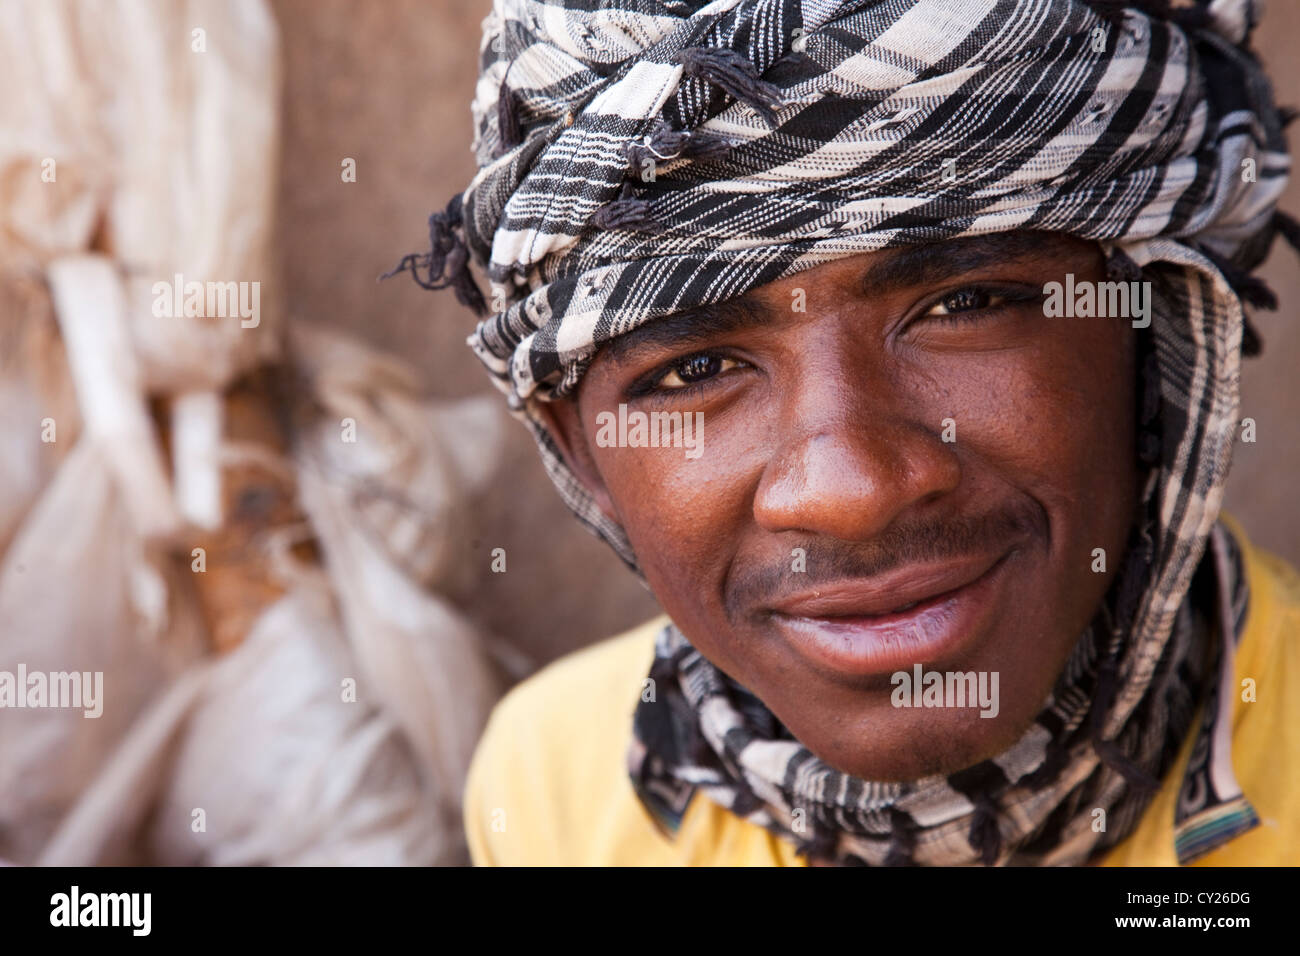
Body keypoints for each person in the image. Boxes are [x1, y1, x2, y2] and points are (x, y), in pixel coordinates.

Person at [388, 0, 1300, 865]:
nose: (851, 491)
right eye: (696, 369)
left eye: (965, 303)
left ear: (1156, 333)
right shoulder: (556, 780)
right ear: (580, 449)